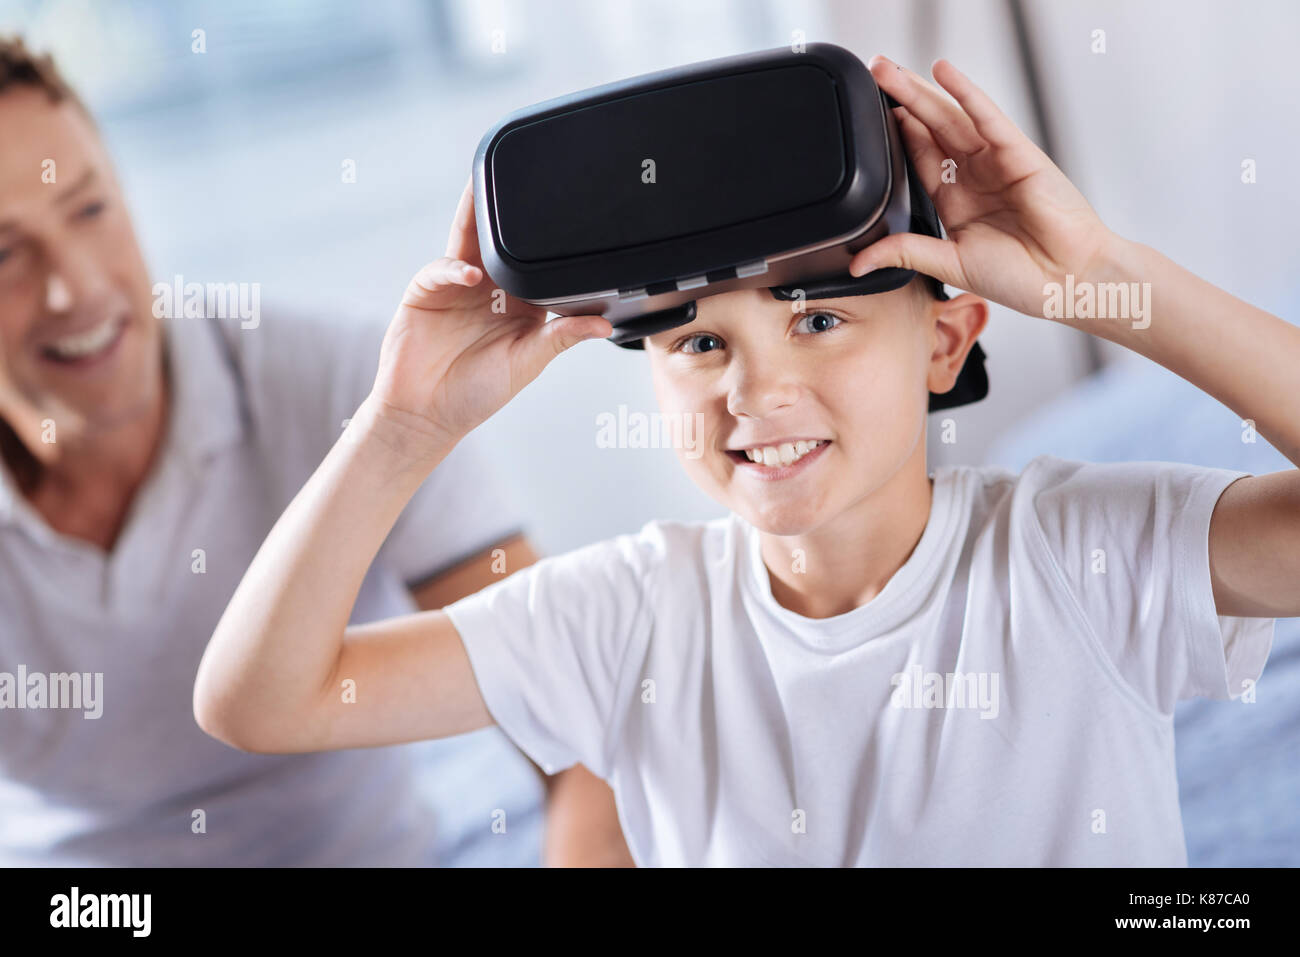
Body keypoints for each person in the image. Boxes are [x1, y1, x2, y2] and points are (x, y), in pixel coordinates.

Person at [193, 54, 1294, 865]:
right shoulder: (628, 614)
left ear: (947, 340)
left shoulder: (1076, 554)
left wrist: (1104, 275)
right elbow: (263, 702)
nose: (753, 391)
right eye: (699, 343)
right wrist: (402, 428)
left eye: (818, 322)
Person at [0, 35, 631, 866]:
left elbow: (575, 732)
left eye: (89, 209)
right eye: (5, 252)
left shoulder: (348, 390)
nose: (73, 285)